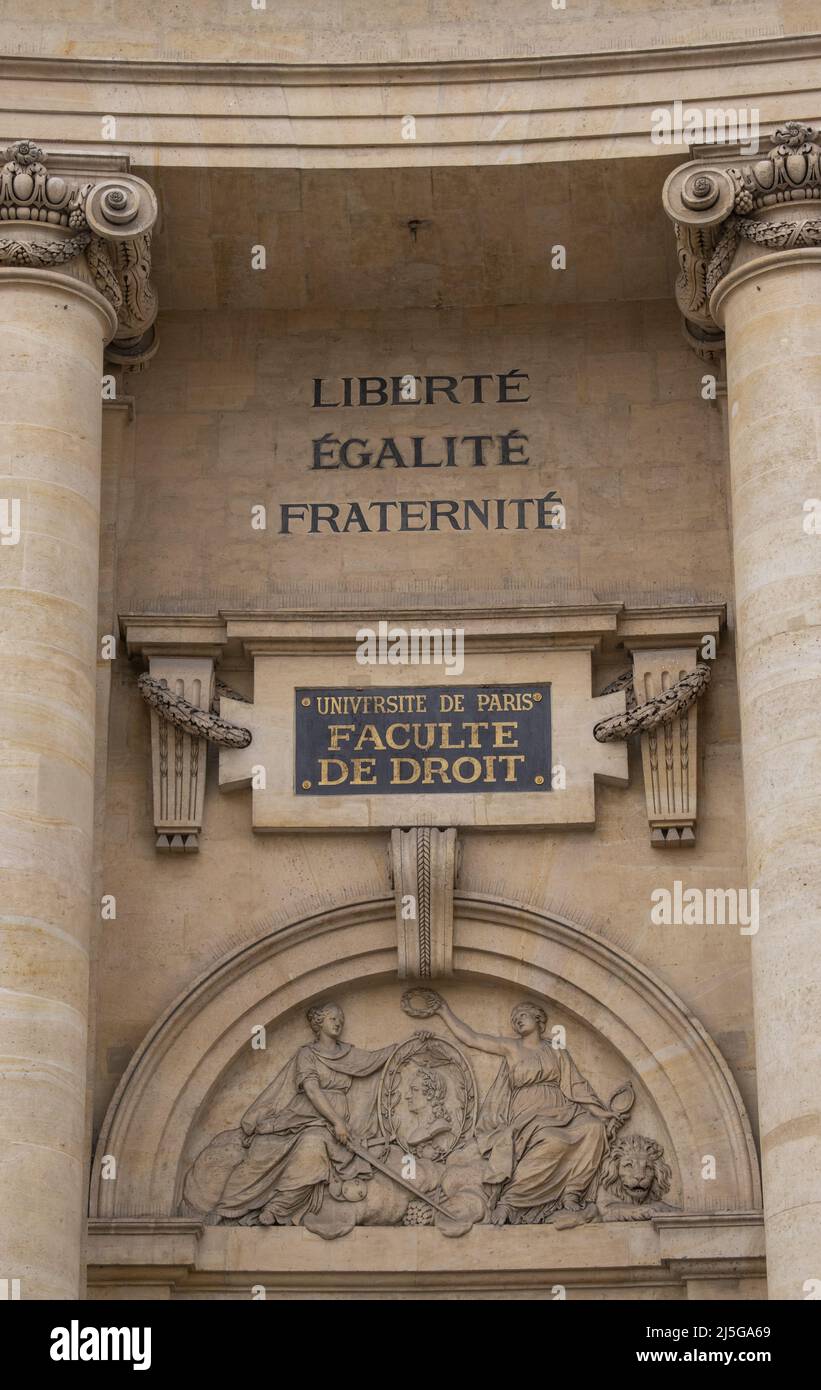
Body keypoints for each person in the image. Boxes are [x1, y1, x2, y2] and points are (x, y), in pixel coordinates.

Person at [183, 1001, 395, 1226]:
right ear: (319, 1022)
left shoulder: (348, 1054)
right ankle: (228, 1207)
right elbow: (312, 1091)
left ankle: (278, 1208)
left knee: (312, 1147)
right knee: (262, 1151)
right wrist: (337, 1123)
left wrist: (404, 1046)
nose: (339, 1022)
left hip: (326, 1125)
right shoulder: (307, 1054)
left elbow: (374, 1060)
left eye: (340, 1018)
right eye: (333, 1018)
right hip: (303, 1115)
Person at [433, 996, 619, 1224]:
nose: (517, 1021)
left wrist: (601, 1112)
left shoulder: (556, 1049)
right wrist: (444, 1011)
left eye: (522, 1015)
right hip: (529, 1113)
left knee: (594, 1129)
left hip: (562, 1108)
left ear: (538, 1019)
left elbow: (575, 1085)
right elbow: (472, 1039)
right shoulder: (511, 1047)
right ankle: (511, 1201)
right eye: (514, 1018)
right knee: (553, 1141)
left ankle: (572, 1192)